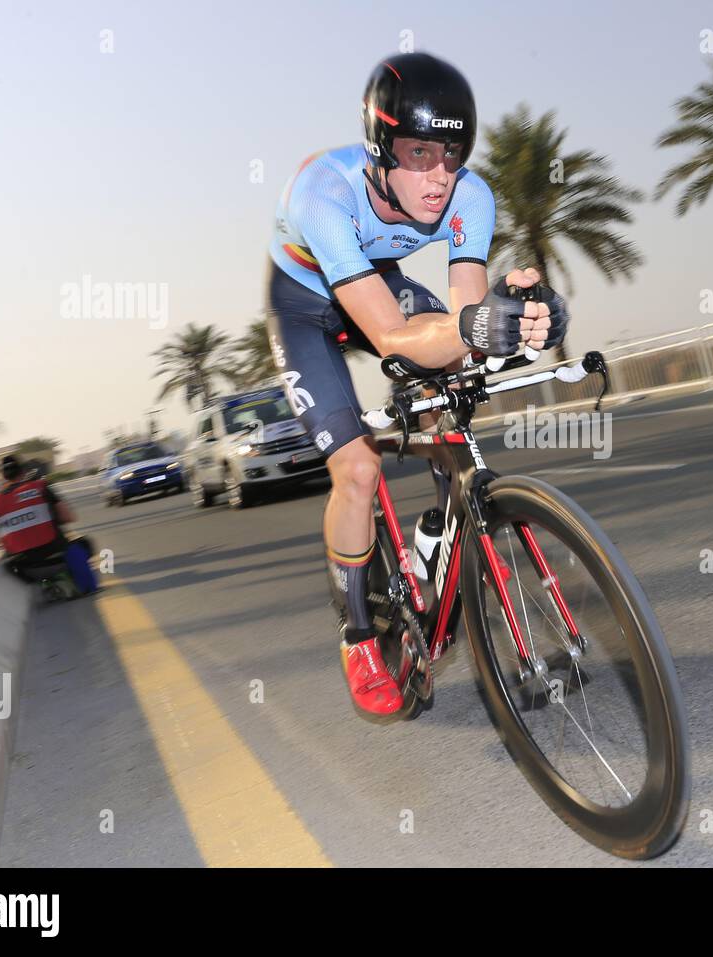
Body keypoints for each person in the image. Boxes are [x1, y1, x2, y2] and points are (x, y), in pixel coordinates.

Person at [264, 51, 570, 715]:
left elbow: (464, 315)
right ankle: (357, 637)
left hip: (380, 282)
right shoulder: (324, 193)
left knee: (453, 385)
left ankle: (440, 526)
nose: (438, 176)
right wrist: (477, 327)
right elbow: (393, 338)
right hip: (306, 307)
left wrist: (521, 321)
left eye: (452, 153)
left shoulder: (471, 195)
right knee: (357, 469)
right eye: (418, 153)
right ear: (380, 146)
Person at [0, 454, 98, 596]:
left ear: (2, 477)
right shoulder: (40, 486)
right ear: (23, 471)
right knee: (84, 544)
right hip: (59, 559)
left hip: (26, 568)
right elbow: (69, 517)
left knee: (10, 562)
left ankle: (46, 586)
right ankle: (76, 582)